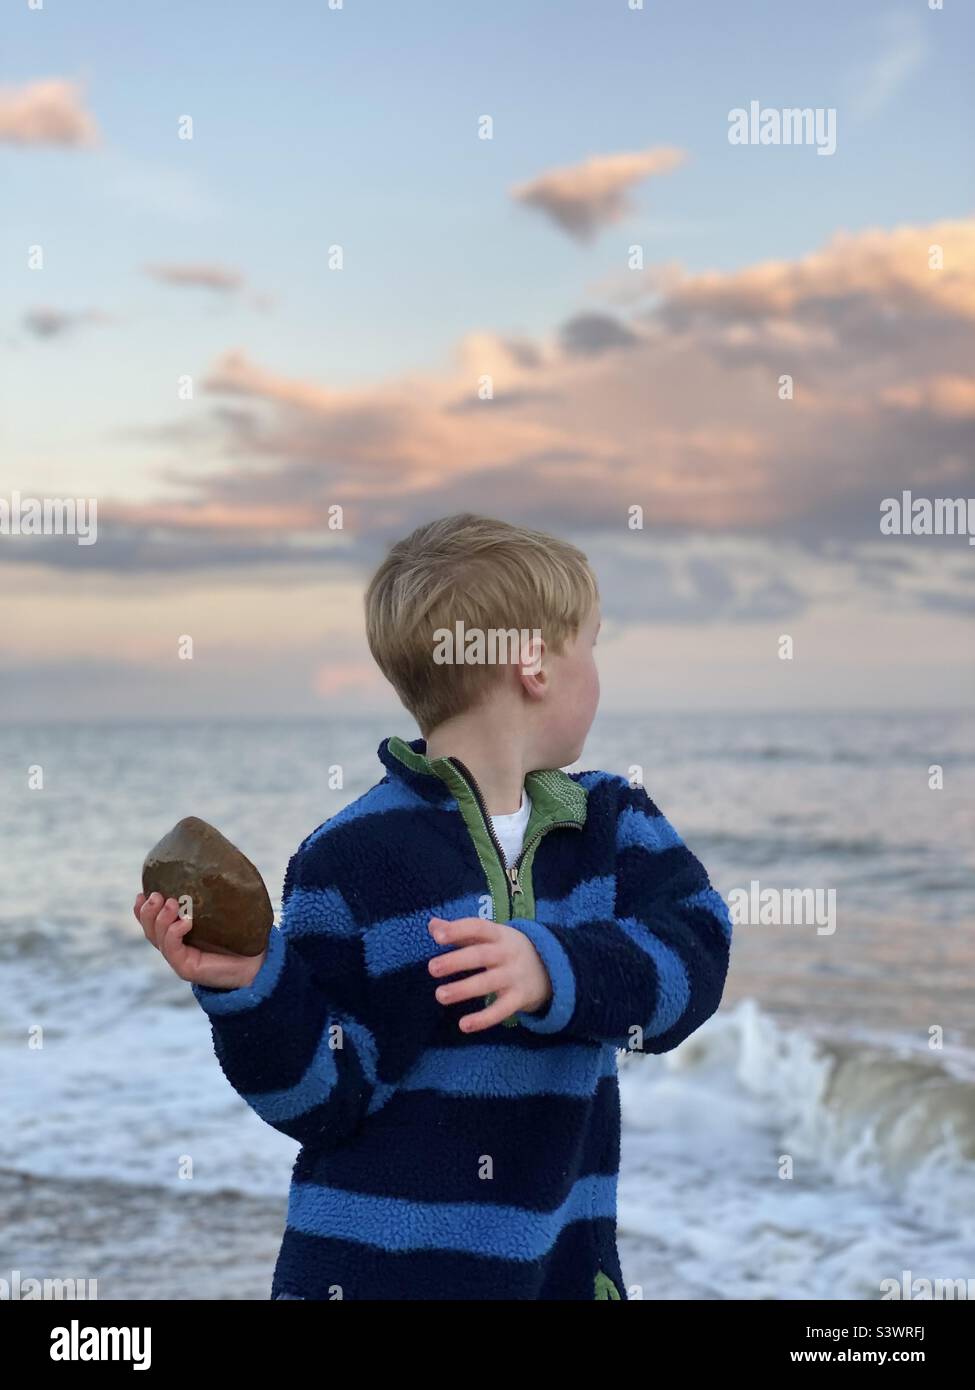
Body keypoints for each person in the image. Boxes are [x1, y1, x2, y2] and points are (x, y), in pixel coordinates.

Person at [134, 512, 733, 1300]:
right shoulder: (350, 856)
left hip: (550, 1274)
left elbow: (694, 960)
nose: (596, 669)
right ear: (535, 665)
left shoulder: (614, 827)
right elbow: (320, 1097)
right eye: (590, 643)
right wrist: (248, 984)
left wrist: (554, 969)